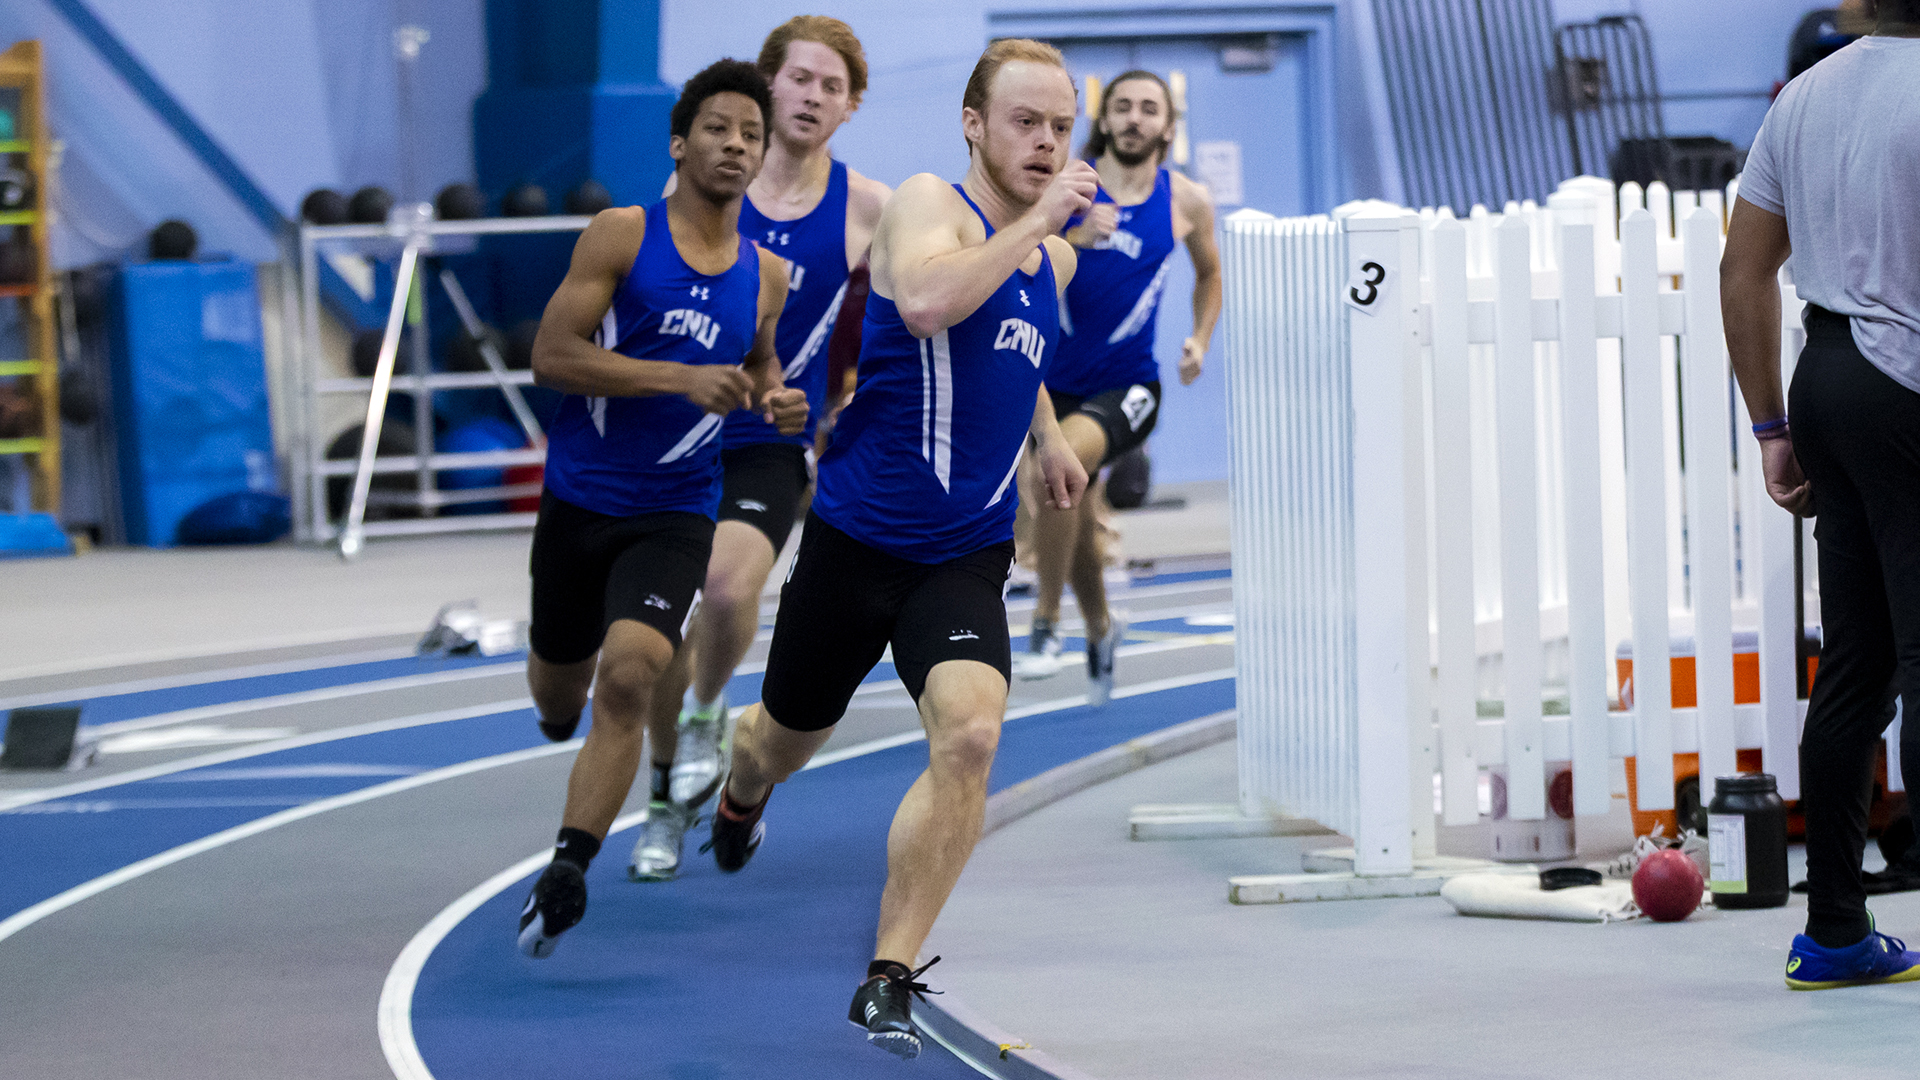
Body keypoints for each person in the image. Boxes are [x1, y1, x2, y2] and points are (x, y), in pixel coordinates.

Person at [707, 38, 1093, 1057]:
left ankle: (889, 973)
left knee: (970, 734)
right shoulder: (930, 203)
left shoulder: (1044, 255)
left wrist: (1048, 437)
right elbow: (928, 301)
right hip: (855, 540)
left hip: (960, 554)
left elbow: (1018, 348)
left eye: (1061, 126)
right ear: (974, 123)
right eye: (1025, 121)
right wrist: (1043, 226)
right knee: (783, 740)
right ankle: (741, 784)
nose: (1047, 143)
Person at [514, 59, 807, 959]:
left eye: (751, 135)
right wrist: (677, 378)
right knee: (559, 692)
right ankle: (558, 714)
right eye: (718, 128)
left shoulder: (765, 275)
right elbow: (552, 357)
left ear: (762, 159)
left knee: (634, 677)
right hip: (579, 502)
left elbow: (759, 366)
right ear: (681, 145)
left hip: (677, 508)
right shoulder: (620, 235)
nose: (736, 144)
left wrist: (774, 397)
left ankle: (569, 864)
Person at [630, 16, 892, 883]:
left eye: (831, 85)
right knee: (655, 639)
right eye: (799, 79)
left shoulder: (865, 208)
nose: (812, 96)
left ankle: (709, 710)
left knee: (727, 583)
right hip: (673, 439)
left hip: (767, 442)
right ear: (766, 87)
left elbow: (931, 289)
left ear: (851, 106)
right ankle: (664, 799)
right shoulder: (704, 190)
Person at [1721, 0, 1920, 990]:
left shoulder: (1801, 96)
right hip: (1909, 383)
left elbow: (1743, 268)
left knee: (1857, 666)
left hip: (1829, 381)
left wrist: (1771, 426)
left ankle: (1836, 932)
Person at [1016, 69, 1221, 702]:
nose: (1134, 118)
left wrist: (1200, 338)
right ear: (1105, 119)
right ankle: (1101, 628)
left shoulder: (1185, 199)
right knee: (1068, 502)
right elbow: (1016, 254)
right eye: (1123, 107)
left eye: (1149, 109)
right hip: (1051, 385)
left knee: (1065, 464)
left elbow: (1210, 275)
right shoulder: (1063, 188)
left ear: (1167, 125)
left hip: (1130, 385)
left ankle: (1045, 625)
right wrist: (1071, 234)